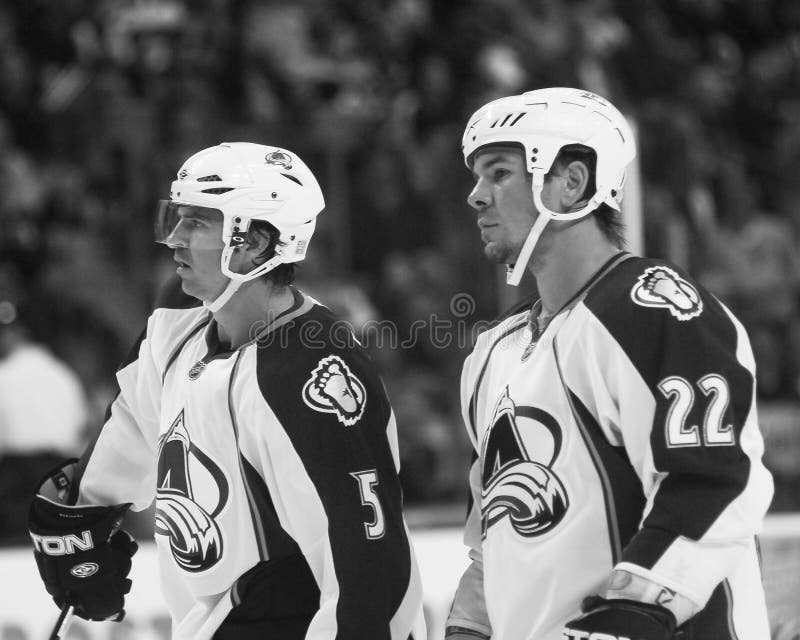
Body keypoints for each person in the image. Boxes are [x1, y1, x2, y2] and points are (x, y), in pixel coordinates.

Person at [28, 142, 426, 640]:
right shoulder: (178, 328)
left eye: (196, 222)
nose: (174, 239)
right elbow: (130, 425)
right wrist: (79, 510)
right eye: (176, 218)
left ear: (255, 241)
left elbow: (368, 572)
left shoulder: (310, 372)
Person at [445, 88, 774, 640]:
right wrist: (469, 628)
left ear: (572, 183)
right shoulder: (491, 351)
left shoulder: (652, 309)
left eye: (499, 173)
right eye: (478, 176)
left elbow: (716, 482)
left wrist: (633, 611)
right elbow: (494, 540)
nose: (476, 196)